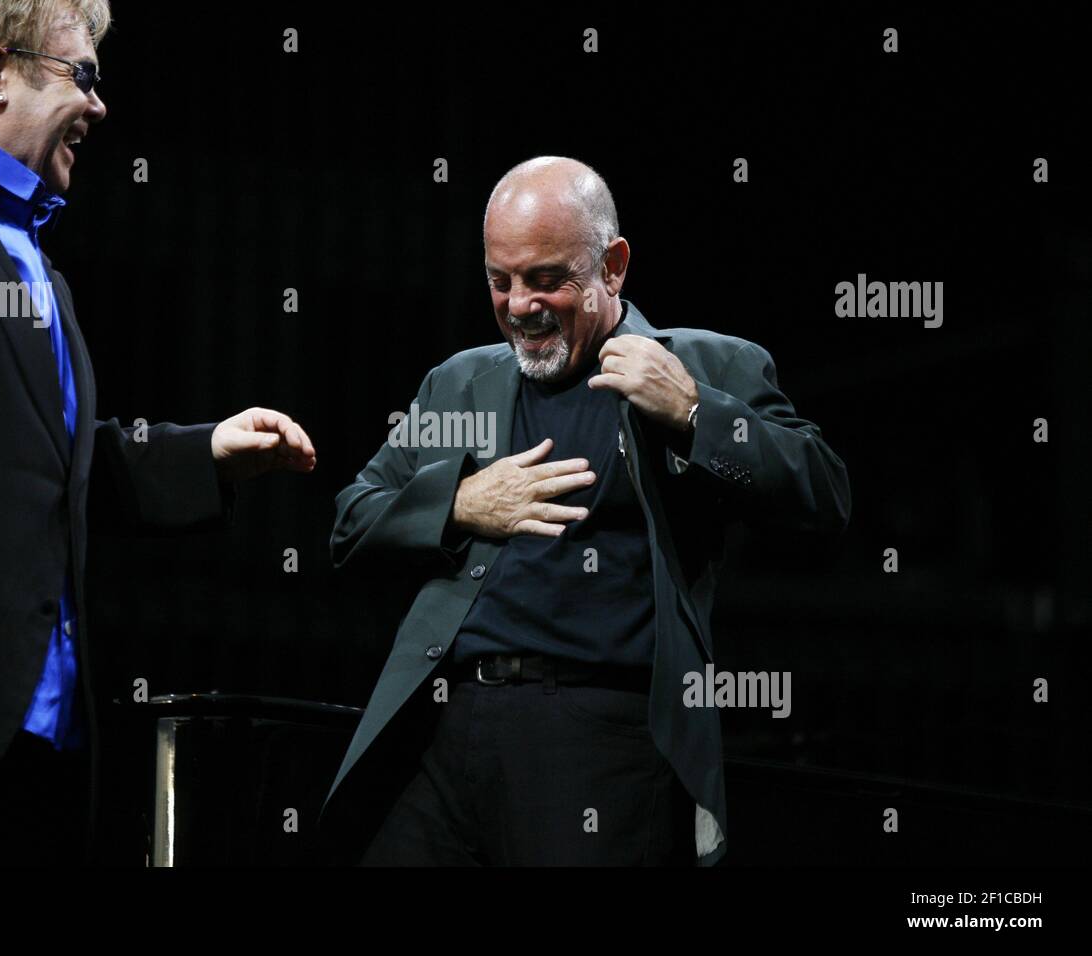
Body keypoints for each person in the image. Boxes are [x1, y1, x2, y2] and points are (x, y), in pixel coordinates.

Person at [0, 0, 315, 864]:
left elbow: (41, 474)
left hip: (39, 735)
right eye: (84, 75)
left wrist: (204, 453)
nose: (101, 106)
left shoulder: (39, 270)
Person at [323, 156, 850, 865]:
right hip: (446, 729)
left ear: (613, 266)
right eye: (498, 280)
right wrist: (459, 505)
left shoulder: (707, 364)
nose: (518, 305)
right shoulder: (459, 383)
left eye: (545, 280)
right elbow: (352, 521)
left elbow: (824, 494)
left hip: (597, 739)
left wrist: (695, 413)